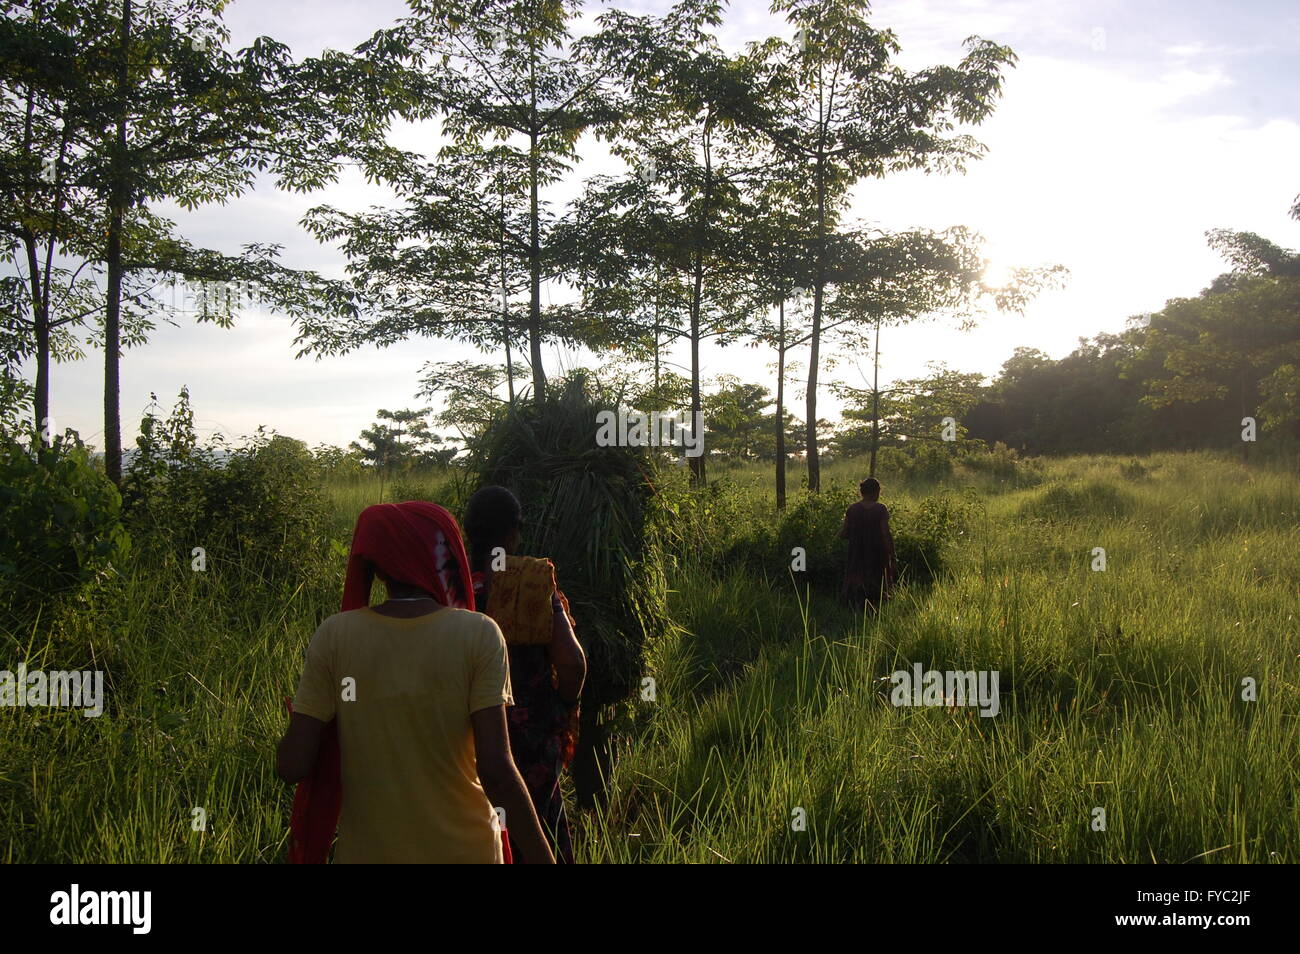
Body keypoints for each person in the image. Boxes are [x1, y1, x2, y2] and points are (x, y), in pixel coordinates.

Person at [276, 500, 555, 864]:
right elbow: (496, 770)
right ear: (444, 556)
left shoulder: (335, 635)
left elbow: (292, 766)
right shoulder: (478, 634)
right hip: (466, 850)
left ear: (377, 566)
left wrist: (303, 720)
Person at [463, 485, 586, 864]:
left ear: (468, 532)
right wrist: (565, 704)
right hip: (528, 737)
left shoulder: (450, 587)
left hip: (461, 740)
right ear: (514, 533)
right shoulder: (532, 581)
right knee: (536, 831)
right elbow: (571, 662)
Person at [839, 477, 897, 611]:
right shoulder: (880, 509)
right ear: (876, 492)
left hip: (856, 554)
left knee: (855, 582)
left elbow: (844, 533)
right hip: (877, 554)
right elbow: (885, 534)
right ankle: (874, 607)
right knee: (877, 584)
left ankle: (853, 606)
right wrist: (892, 556)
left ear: (862, 492)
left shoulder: (852, 509)